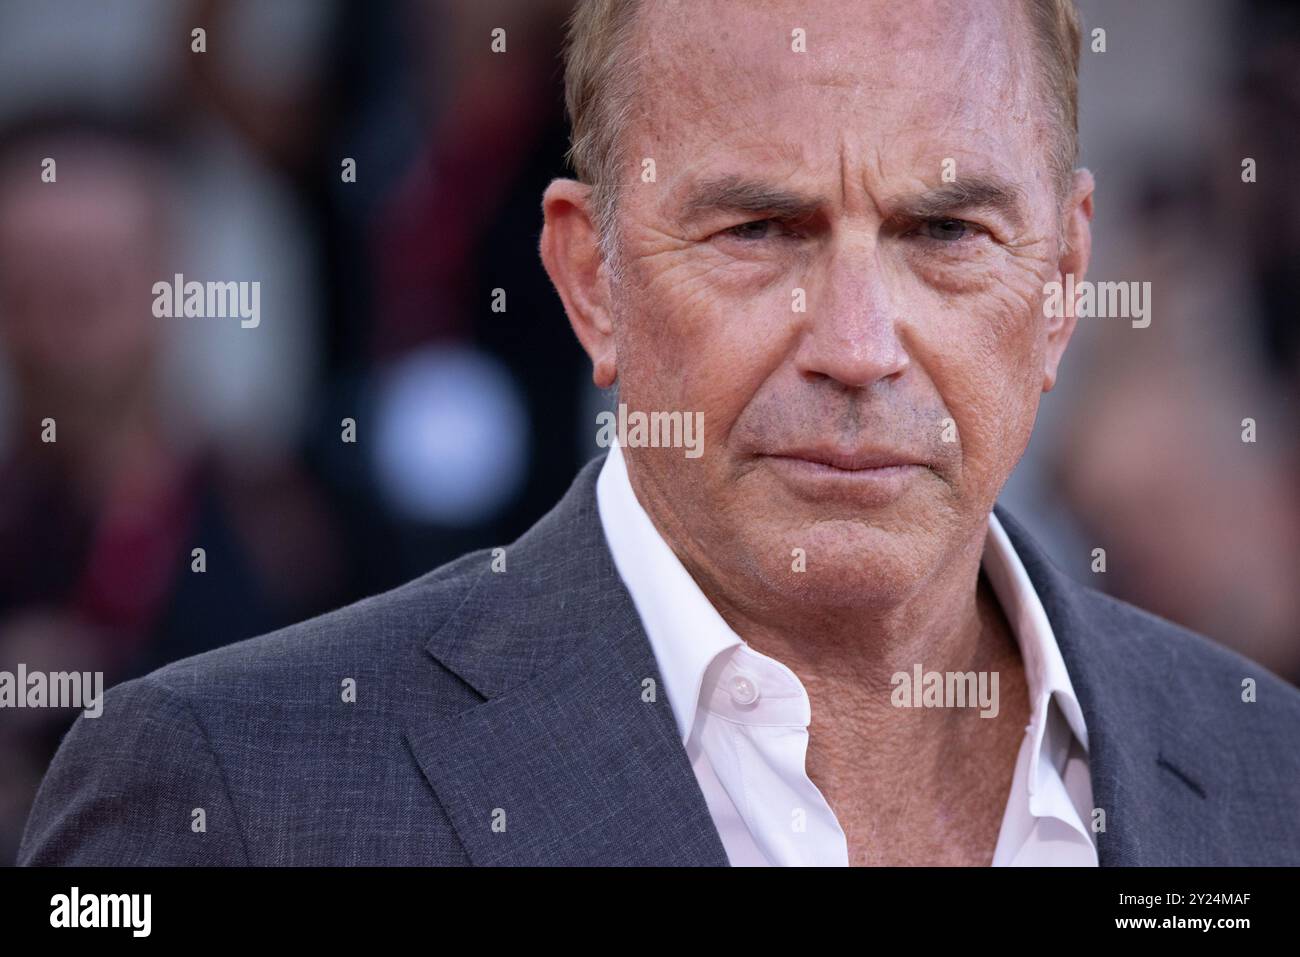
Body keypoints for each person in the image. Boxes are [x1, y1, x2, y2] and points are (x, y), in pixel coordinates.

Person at [19, 0, 1300, 866]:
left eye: (944, 234)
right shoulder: (228, 793)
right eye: (759, 233)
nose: (854, 345)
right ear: (591, 282)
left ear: (1064, 281)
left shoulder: (1265, 770)